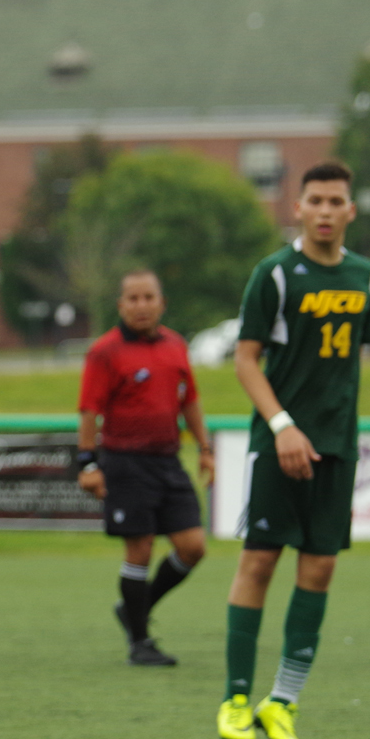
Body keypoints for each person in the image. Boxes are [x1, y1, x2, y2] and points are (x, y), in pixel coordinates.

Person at [217, 161, 370, 739]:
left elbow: (346, 363)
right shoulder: (275, 275)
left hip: (337, 448)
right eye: (317, 200)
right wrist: (283, 425)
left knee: (320, 568)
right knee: (259, 562)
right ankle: (236, 700)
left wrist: (333, 428)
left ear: (351, 210)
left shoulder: (366, 275)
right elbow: (245, 359)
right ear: (299, 208)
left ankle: (281, 702)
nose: (327, 211)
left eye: (338, 201)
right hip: (277, 442)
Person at [76, 270, 212, 667]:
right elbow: (89, 410)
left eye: (148, 297)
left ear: (161, 302)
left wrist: (205, 448)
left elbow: (190, 400)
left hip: (167, 460)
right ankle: (140, 642)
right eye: (132, 298)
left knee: (193, 547)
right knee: (141, 548)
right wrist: (88, 464)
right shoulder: (105, 351)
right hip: (124, 461)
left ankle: (135, 606)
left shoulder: (175, 345)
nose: (141, 305)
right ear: (120, 305)